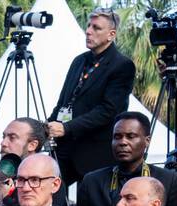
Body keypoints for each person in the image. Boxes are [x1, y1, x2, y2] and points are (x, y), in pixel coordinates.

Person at [48, 9, 136, 187]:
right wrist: (47, 127)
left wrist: (67, 127)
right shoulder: (78, 61)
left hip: (94, 154)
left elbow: (108, 111)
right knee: (50, 198)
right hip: (63, 149)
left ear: (111, 34)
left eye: (96, 28)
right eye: (88, 26)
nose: (88, 31)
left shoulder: (122, 65)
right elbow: (63, 102)